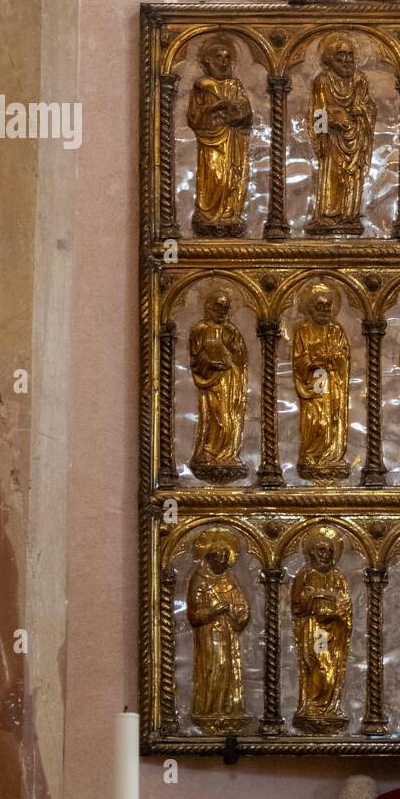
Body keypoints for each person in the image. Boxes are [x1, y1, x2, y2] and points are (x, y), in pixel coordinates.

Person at [307, 33, 376, 234]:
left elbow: (369, 106)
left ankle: (349, 215)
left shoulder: (359, 79)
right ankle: (329, 215)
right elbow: (317, 113)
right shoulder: (323, 81)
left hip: (356, 137)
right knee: (333, 174)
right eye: (341, 56)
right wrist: (329, 122)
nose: (346, 60)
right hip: (332, 140)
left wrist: (361, 111)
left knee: (352, 176)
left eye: (350, 55)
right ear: (330, 59)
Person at [187, 34, 252, 236]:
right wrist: (216, 107)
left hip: (233, 139)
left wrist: (237, 111)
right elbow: (194, 117)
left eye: (227, 58)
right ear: (208, 60)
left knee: (231, 177)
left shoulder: (235, 85)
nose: (223, 62)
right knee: (214, 176)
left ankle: (229, 214)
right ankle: (208, 216)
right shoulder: (202, 85)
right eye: (219, 57)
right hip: (210, 139)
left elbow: (246, 114)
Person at [187, 528, 251, 731]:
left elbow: (242, 606)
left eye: (225, 559)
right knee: (214, 668)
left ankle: (228, 708)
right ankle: (208, 709)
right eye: (218, 558)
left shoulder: (229, 580)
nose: (222, 563)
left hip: (229, 634)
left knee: (228, 670)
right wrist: (214, 610)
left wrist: (238, 615)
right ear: (210, 558)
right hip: (208, 636)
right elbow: (194, 615)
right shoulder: (199, 580)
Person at [292, 527, 353, 733]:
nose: (325, 555)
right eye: (321, 551)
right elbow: (297, 605)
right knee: (318, 665)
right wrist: (314, 598)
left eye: (329, 551)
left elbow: (345, 605)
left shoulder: (338, 577)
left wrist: (333, 610)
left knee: (331, 669)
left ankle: (328, 707)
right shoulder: (305, 575)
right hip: (315, 630)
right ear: (311, 553)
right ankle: (313, 705)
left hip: (333, 631)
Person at [292, 282, 350, 481]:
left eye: (328, 307)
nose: (325, 311)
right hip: (316, 380)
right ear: (310, 309)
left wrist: (332, 359)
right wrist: (314, 361)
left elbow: (344, 356)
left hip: (333, 382)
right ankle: (311, 455)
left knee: (331, 419)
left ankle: (332, 455)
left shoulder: (336, 330)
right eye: (320, 307)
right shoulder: (303, 330)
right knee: (316, 420)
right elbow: (299, 360)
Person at [188, 290, 248, 482]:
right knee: (217, 417)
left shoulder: (232, 330)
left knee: (230, 417)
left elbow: (241, 357)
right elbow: (196, 358)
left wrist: (235, 353)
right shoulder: (200, 329)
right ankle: (208, 452)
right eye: (218, 306)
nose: (222, 311)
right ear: (208, 307)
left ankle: (228, 454)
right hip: (212, 380)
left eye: (225, 307)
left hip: (231, 379)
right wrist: (211, 364)